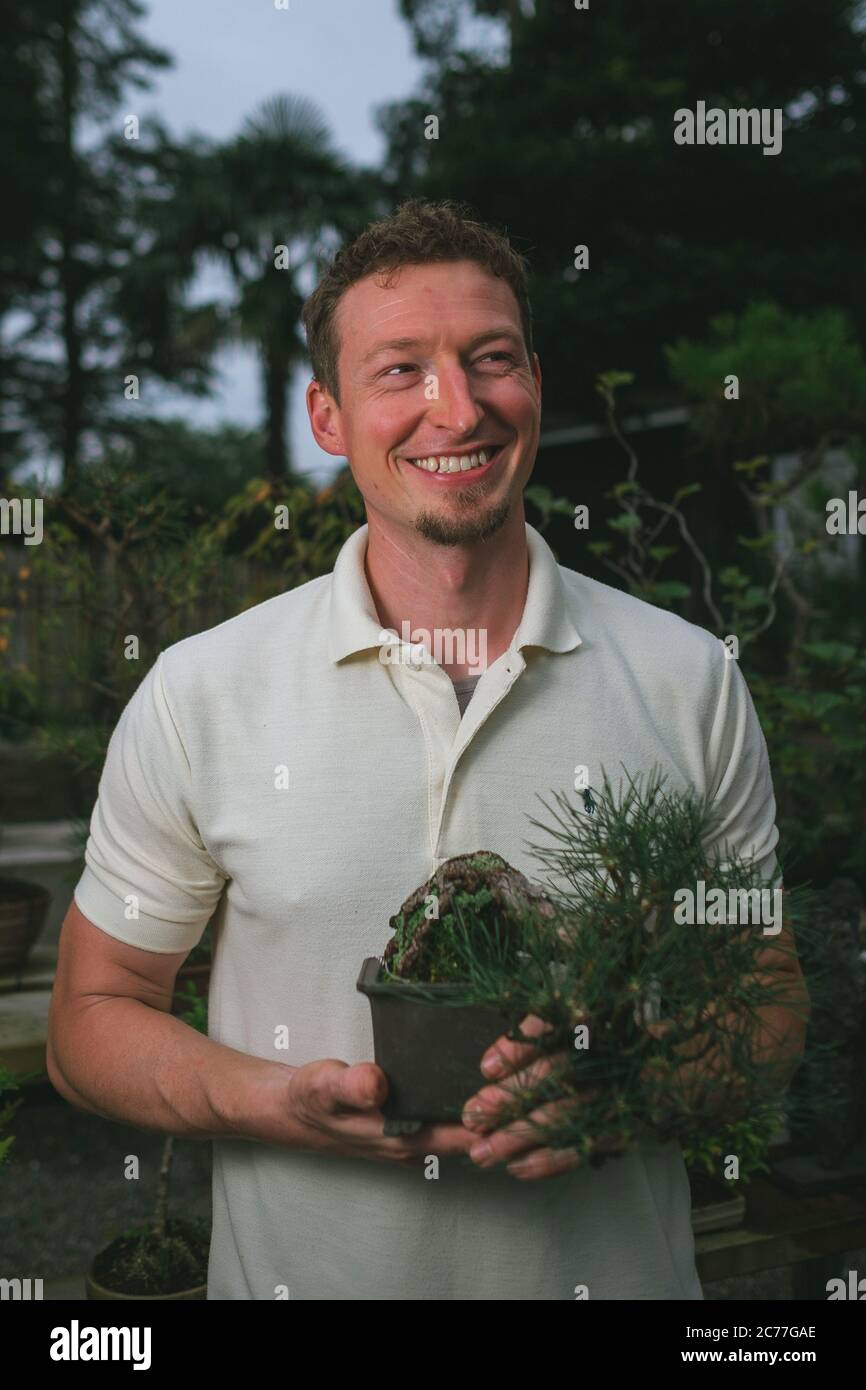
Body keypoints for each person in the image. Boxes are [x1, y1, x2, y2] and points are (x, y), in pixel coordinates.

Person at [48, 198, 797, 1300]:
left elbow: (764, 988)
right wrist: (280, 1102)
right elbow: (89, 1018)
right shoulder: (203, 691)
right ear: (328, 414)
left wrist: (629, 1083)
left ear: (531, 380)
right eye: (399, 369)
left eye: (488, 358)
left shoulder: (685, 678)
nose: (457, 407)